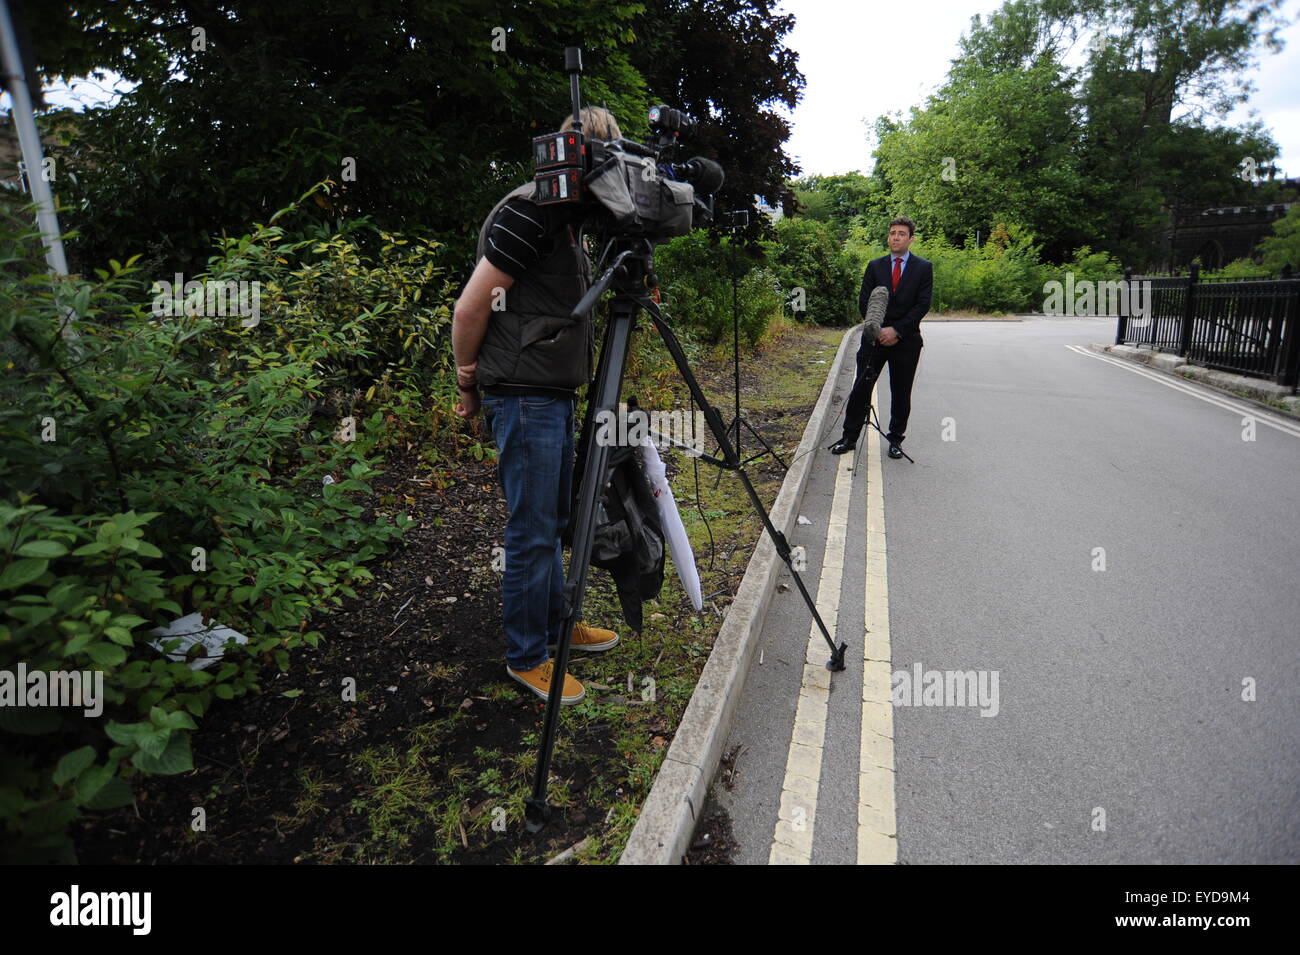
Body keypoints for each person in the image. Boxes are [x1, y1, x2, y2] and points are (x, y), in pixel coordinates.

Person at [452, 107, 623, 706]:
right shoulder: (532, 211)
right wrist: (466, 383)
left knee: (553, 524)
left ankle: (557, 628)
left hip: (548, 389)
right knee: (531, 532)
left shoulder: (568, 217)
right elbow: (472, 307)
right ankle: (528, 656)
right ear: (584, 156)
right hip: (523, 394)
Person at [831, 216, 932, 459]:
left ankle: (895, 440)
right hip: (874, 340)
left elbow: (922, 305)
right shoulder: (875, 266)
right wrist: (878, 330)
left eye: (901, 234)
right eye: (892, 233)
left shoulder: (923, 267)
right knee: (861, 389)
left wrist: (896, 331)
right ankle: (849, 437)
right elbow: (864, 301)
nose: (895, 237)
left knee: (900, 392)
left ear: (911, 239)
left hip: (905, 341)